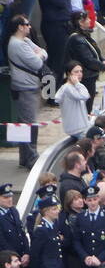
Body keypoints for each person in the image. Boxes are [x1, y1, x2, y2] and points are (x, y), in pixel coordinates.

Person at [5, 14, 46, 169]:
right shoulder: (17, 44)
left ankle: (25, 157)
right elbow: (37, 63)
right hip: (25, 87)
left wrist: (39, 54)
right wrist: (39, 54)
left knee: (27, 122)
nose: (30, 27)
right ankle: (31, 157)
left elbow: (43, 53)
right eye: (27, 24)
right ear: (20, 27)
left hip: (30, 86)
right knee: (28, 123)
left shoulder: (26, 41)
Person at [55, 62, 93, 138]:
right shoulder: (68, 88)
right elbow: (85, 95)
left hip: (82, 126)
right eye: (76, 72)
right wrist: (77, 83)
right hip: (77, 129)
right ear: (69, 74)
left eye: (81, 71)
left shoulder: (77, 86)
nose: (79, 74)